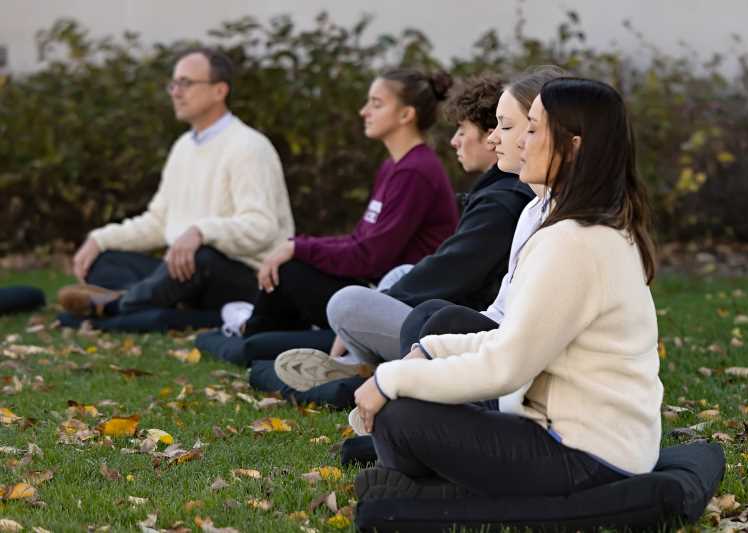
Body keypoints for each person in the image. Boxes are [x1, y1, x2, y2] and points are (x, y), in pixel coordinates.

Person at [353, 77, 663, 502]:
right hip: (603, 445)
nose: (520, 143)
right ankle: (434, 485)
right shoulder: (590, 225)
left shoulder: (573, 240)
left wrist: (390, 379)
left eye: (532, 130)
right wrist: (430, 352)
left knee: (401, 416)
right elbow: (513, 335)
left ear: (572, 147)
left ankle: (437, 494)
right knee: (411, 393)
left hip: (588, 458)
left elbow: (505, 368)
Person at [271, 68, 565, 395]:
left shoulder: (434, 177)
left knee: (347, 302)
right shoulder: (526, 205)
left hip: (480, 343)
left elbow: (416, 264)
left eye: (504, 127)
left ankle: (363, 372)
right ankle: (362, 369)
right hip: (466, 327)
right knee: (400, 285)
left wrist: (301, 249)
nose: (363, 112)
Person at [57, 48, 294, 318]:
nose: (176, 92)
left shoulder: (248, 146)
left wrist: (200, 232)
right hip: (183, 273)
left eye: (186, 83)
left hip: (245, 276)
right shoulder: (182, 147)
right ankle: (157, 301)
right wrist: (99, 240)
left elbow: (261, 228)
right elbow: (158, 223)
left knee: (201, 257)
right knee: (104, 260)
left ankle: (117, 305)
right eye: (174, 83)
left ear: (219, 91)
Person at [238, 68, 459, 338]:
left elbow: (370, 258)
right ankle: (255, 332)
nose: (364, 111)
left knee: (290, 272)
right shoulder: (394, 165)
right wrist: (296, 245)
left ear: (406, 114)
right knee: (290, 270)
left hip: (397, 304)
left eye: (376, 104)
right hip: (376, 289)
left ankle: (252, 334)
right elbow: (360, 240)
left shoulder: (415, 171)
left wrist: (298, 248)